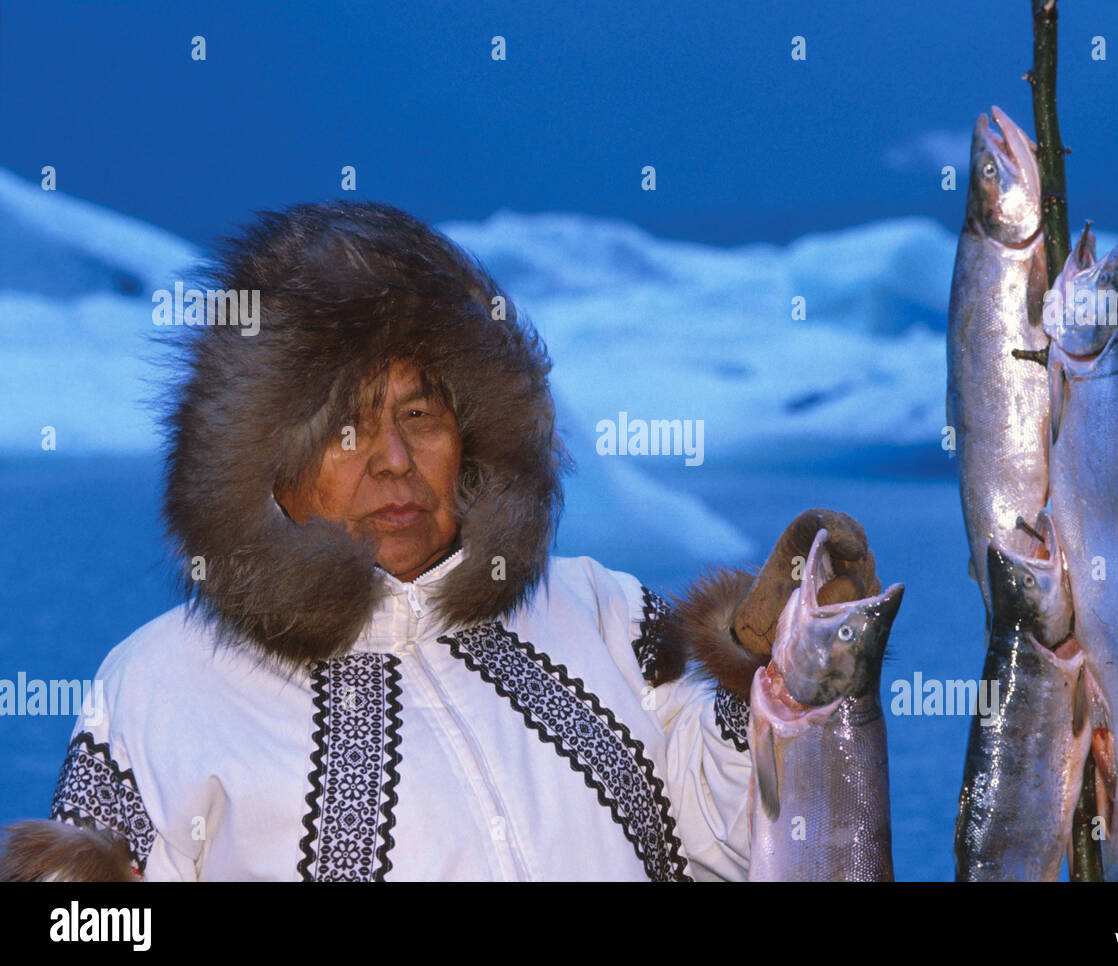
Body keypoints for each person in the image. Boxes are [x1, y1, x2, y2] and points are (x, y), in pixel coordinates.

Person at [0, 202, 878, 881]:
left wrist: (791, 676)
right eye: (346, 426)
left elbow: (755, 831)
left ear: (475, 434)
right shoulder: (163, 685)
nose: (393, 460)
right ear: (267, 460)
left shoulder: (599, 611)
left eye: (420, 414)